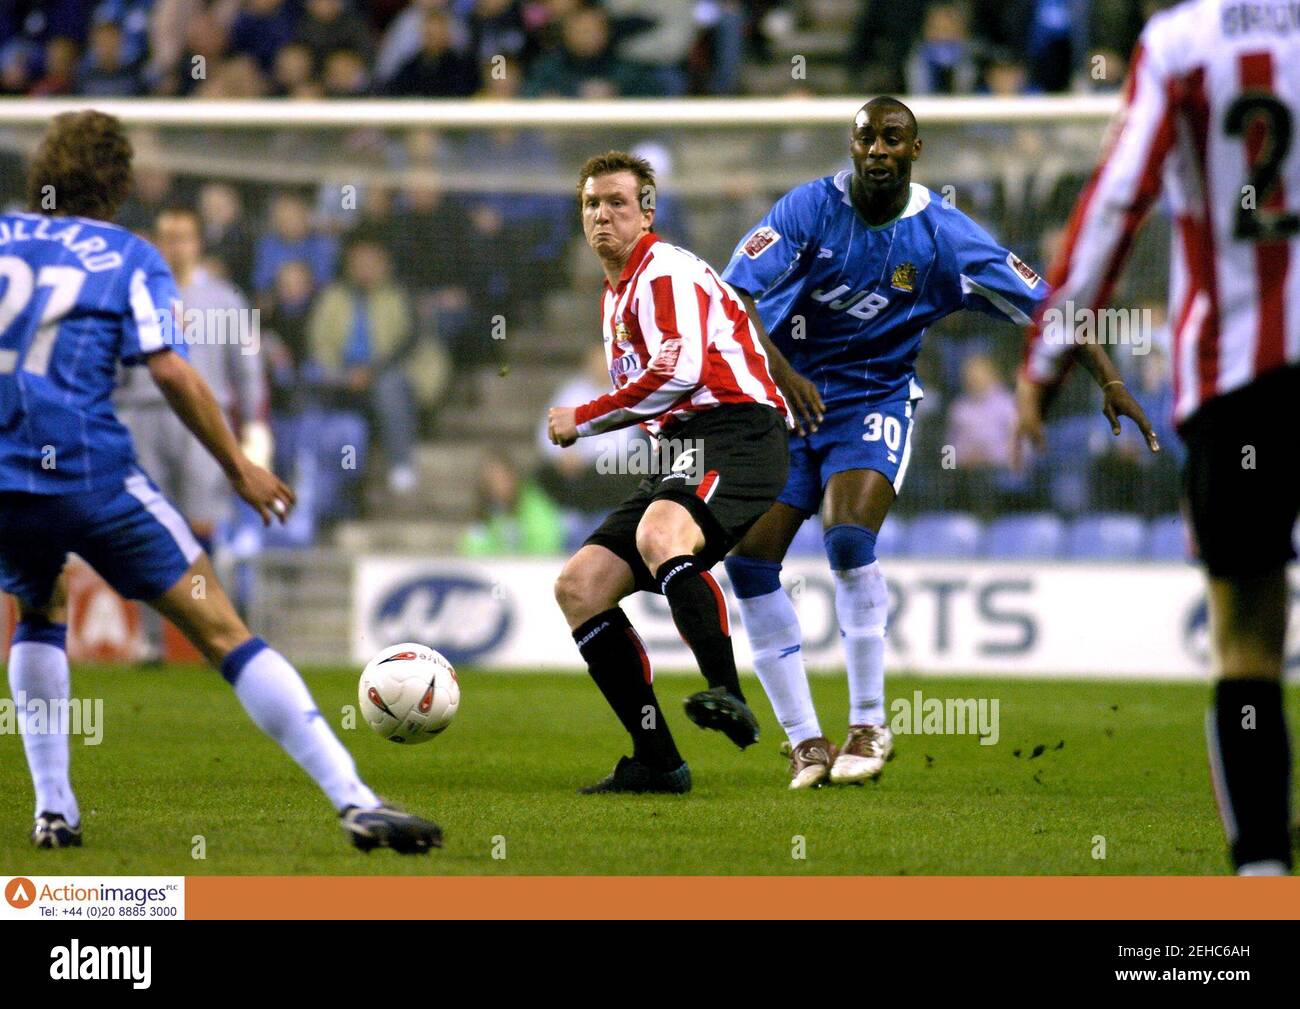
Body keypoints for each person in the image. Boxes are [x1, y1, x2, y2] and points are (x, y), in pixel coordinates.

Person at [0, 111, 440, 854]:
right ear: (118, 184)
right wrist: (240, 465)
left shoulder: (5, 235)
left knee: (38, 606)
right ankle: (352, 798)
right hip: (91, 472)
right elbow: (170, 367)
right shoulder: (127, 254)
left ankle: (55, 810)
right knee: (223, 629)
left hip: (9, 482)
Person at [719, 97, 1157, 789]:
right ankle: (805, 739)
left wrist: (1107, 377)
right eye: (866, 137)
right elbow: (730, 295)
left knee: (847, 538)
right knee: (747, 563)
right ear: (852, 144)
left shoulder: (944, 235)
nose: (878, 149)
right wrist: (783, 374)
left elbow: (1045, 306)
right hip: (785, 399)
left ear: (916, 149)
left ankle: (869, 720)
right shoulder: (806, 209)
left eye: (893, 138)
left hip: (871, 399)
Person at [1017, 0, 1300, 875]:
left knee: (1247, 637)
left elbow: (1116, 202)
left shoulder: (1182, 44)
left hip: (1237, 378)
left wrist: (1051, 352)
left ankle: (1259, 872)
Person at [549, 150, 790, 795]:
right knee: (581, 587)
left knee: (662, 535)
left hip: (741, 431)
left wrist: (585, 416)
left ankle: (727, 693)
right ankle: (657, 759)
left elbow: (678, 375)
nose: (602, 215)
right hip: (688, 446)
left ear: (647, 212)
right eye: (591, 204)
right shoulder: (616, 292)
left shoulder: (664, 271)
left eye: (617, 203)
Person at [115, 205, 271, 660]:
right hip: (145, 414)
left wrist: (254, 426)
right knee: (147, 530)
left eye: (184, 237)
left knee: (204, 528)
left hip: (207, 420)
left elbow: (248, 368)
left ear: (198, 243)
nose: (176, 246)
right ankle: (150, 640)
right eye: (167, 237)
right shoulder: (137, 295)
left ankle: (215, 633)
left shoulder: (225, 299)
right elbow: (113, 367)